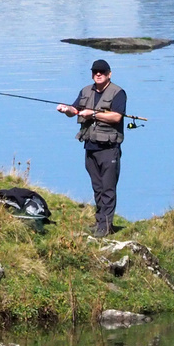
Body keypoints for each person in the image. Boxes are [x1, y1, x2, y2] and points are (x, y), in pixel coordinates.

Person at [57, 59, 126, 236]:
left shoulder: (118, 93)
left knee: (108, 188)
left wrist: (93, 113)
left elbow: (117, 117)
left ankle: (106, 226)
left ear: (109, 74)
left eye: (102, 72)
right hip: (90, 147)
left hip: (109, 148)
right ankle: (99, 222)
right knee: (97, 187)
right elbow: (74, 110)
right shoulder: (85, 91)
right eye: (95, 71)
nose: (98, 74)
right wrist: (67, 110)